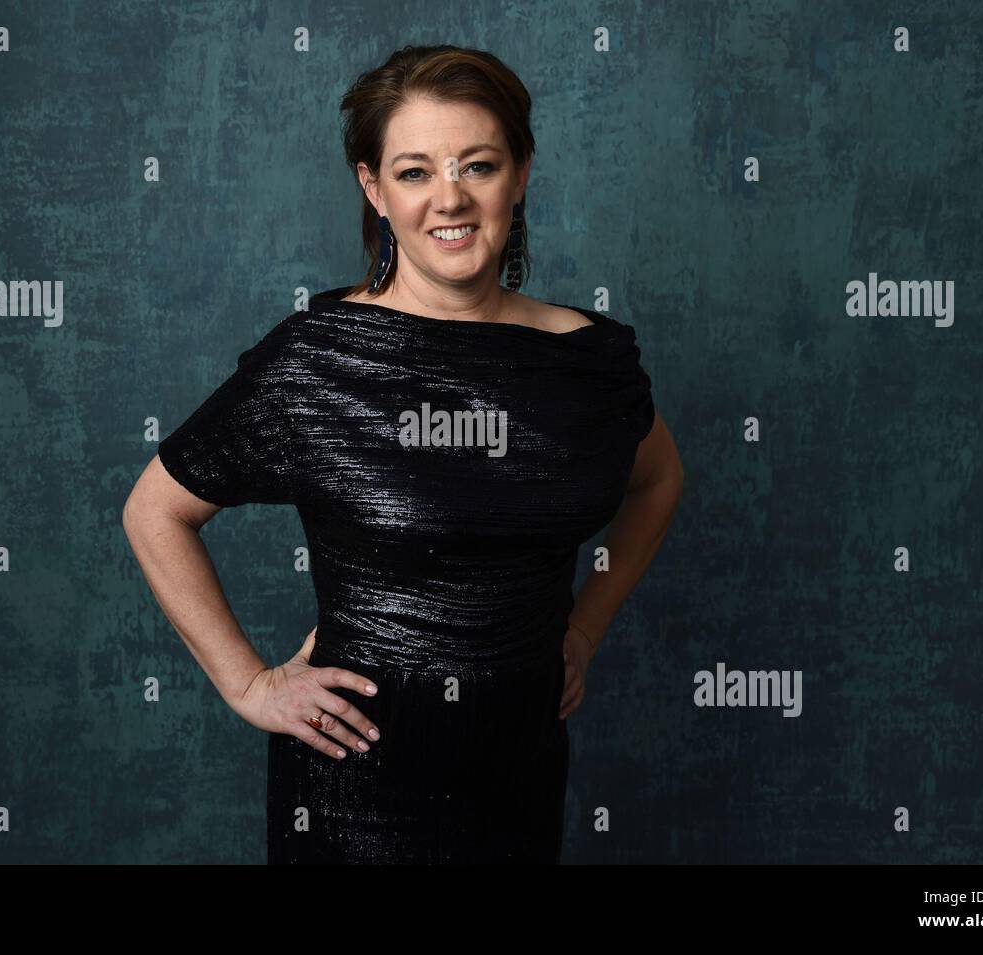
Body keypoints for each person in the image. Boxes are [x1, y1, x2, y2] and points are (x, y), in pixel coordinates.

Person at [122, 44, 685, 863]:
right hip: (356, 790)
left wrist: (585, 626)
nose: (449, 198)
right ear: (373, 189)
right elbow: (156, 509)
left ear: (520, 174)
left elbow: (659, 480)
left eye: (478, 165)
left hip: (520, 777)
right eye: (415, 172)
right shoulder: (318, 361)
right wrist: (248, 683)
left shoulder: (591, 362)